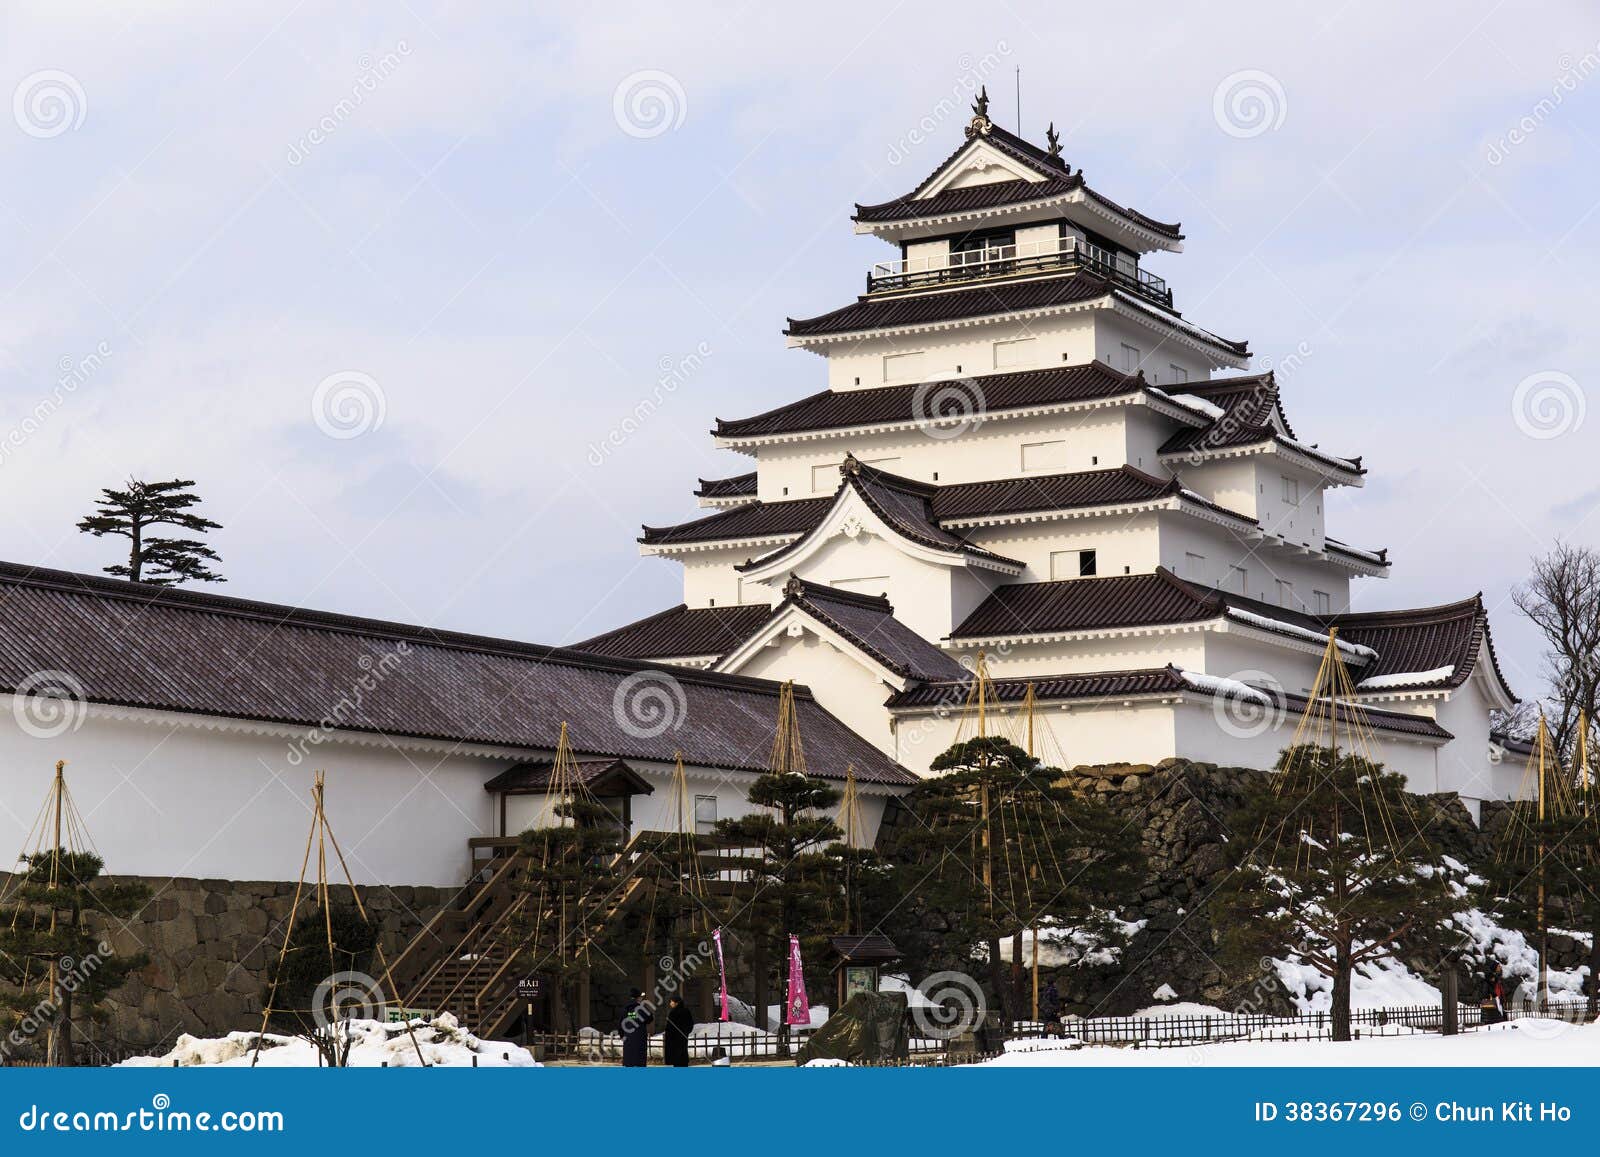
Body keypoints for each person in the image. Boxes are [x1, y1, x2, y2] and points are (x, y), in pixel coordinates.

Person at [620, 989, 653, 1067]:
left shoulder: (625, 1009)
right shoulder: (641, 1009)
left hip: (628, 1038)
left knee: (629, 1060)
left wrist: (622, 1035)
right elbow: (650, 1019)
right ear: (638, 998)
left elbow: (620, 1023)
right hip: (640, 1038)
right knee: (639, 1061)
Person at [663, 995, 695, 1068]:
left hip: (674, 1039)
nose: (670, 1003)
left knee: (676, 1057)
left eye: (671, 1002)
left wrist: (669, 1034)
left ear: (676, 1003)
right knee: (683, 1054)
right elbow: (690, 1024)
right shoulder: (686, 1011)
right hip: (683, 1037)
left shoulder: (673, 1013)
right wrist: (686, 1032)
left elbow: (669, 1028)